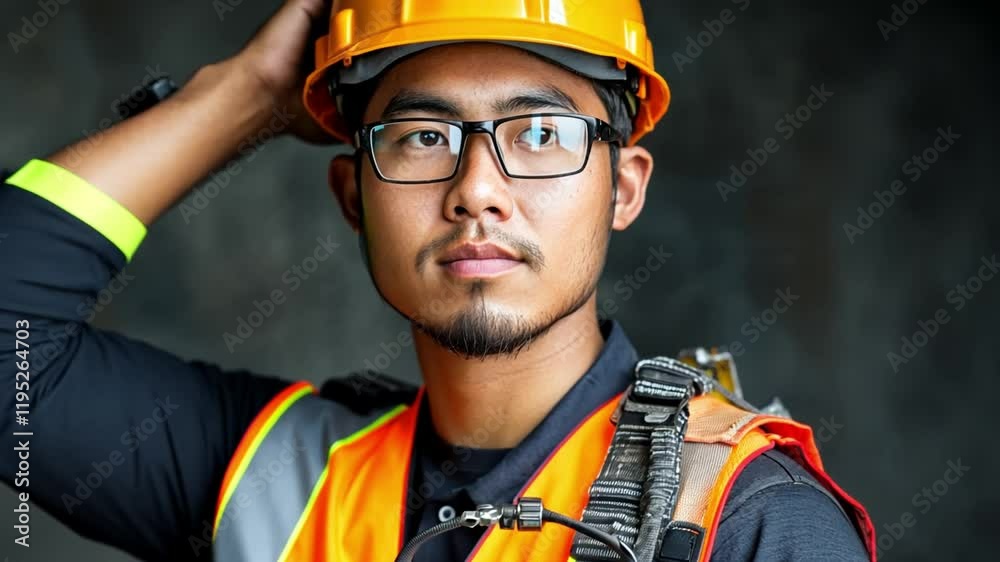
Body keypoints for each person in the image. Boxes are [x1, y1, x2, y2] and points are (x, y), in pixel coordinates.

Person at [0, 0, 876, 560]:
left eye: (539, 134)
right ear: (353, 194)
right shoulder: (270, 475)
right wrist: (243, 99)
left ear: (625, 189)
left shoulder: (742, 520)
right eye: (423, 138)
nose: (478, 191)